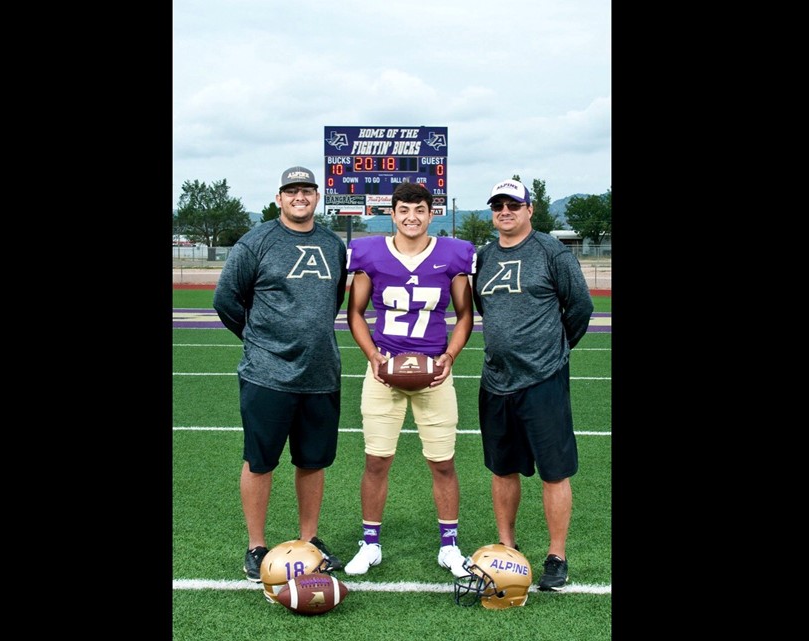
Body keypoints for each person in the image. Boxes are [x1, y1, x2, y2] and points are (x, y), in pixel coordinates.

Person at [213, 165, 348, 582]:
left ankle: (309, 540)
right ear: (279, 198)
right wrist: (260, 341)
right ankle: (256, 546)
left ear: (317, 197)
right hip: (266, 374)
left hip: (320, 372)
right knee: (260, 461)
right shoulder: (256, 242)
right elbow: (226, 300)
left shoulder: (331, 244)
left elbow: (334, 299)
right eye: (292, 191)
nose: (299, 197)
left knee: (312, 461)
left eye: (307, 190)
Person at [342, 181, 476, 578]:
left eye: (419, 210)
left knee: (444, 464)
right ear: (393, 213)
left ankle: (449, 547)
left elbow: (465, 313)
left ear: (431, 214)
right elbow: (355, 312)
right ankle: (370, 544)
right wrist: (374, 358)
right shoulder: (370, 253)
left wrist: (449, 357)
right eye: (404, 210)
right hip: (384, 373)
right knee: (376, 461)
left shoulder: (453, 254)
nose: (411, 217)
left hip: (435, 373)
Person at [471, 178, 595, 591]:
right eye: (498, 205)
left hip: (542, 379)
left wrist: (556, 350)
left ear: (529, 209)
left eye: (513, 204)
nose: (505, 211)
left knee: (554, 472)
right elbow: (482, 306)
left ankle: (556, 556)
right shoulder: (484, 257)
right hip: (496, 380)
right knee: (503, 468)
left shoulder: (550, 251)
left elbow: (580, 305)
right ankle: (507, 547)